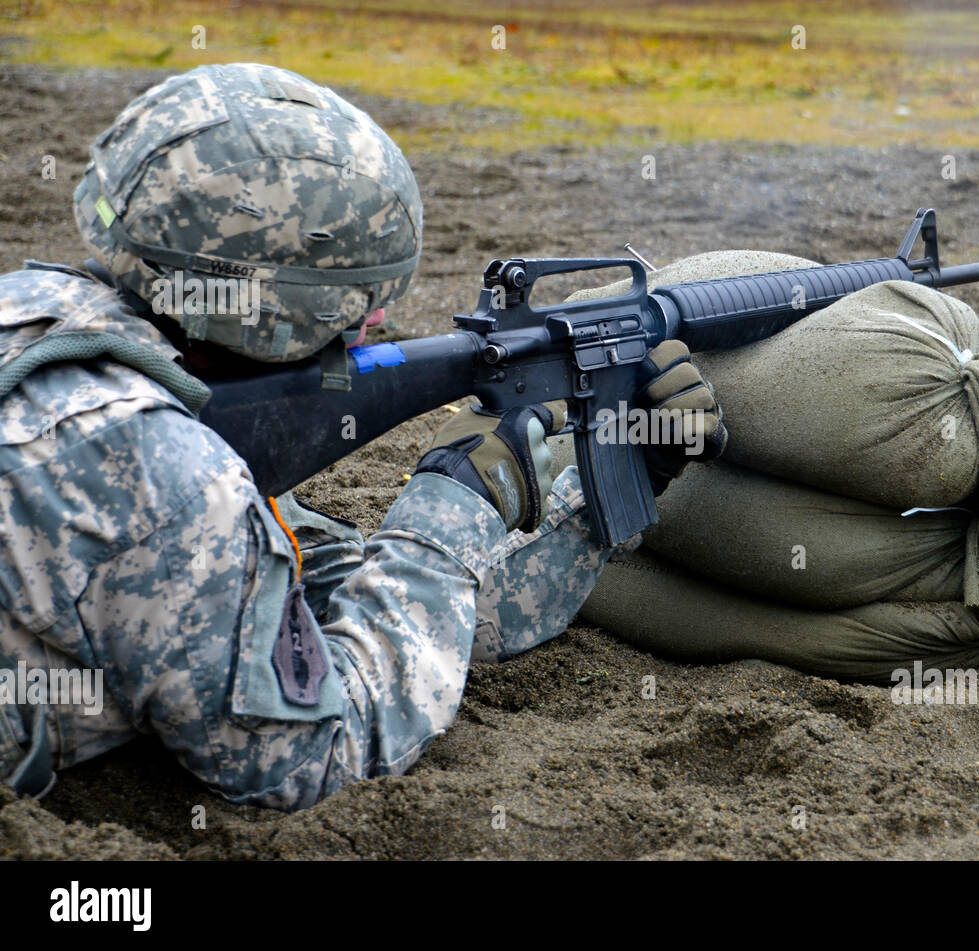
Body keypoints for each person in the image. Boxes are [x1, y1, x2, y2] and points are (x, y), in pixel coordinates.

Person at [0, 63, 724, 810]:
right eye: (360, 304)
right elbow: (312, 757)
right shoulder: (178, 481)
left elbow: (389, 621)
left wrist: (622, 469)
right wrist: (454, 503)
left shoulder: (36, 318)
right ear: (275, 307)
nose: (372, 325)